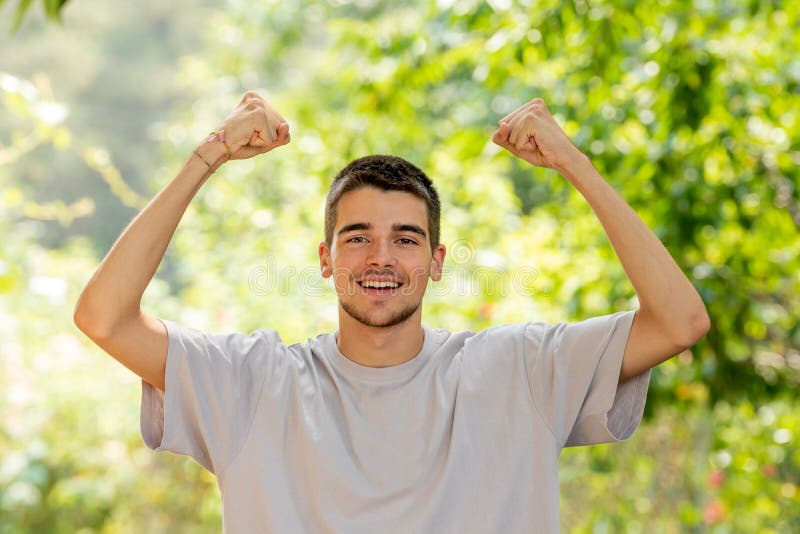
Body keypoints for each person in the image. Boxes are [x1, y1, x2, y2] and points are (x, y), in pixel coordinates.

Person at [74, 91, 709, 533]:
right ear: (325, 258)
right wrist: (211, 151)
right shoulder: (251, 382)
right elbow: (104, 317)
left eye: (405, 238)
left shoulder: (521, 370)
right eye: (358, 237)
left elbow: (680, 322)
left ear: (435, 260)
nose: (381, 257)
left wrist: (572, 161)